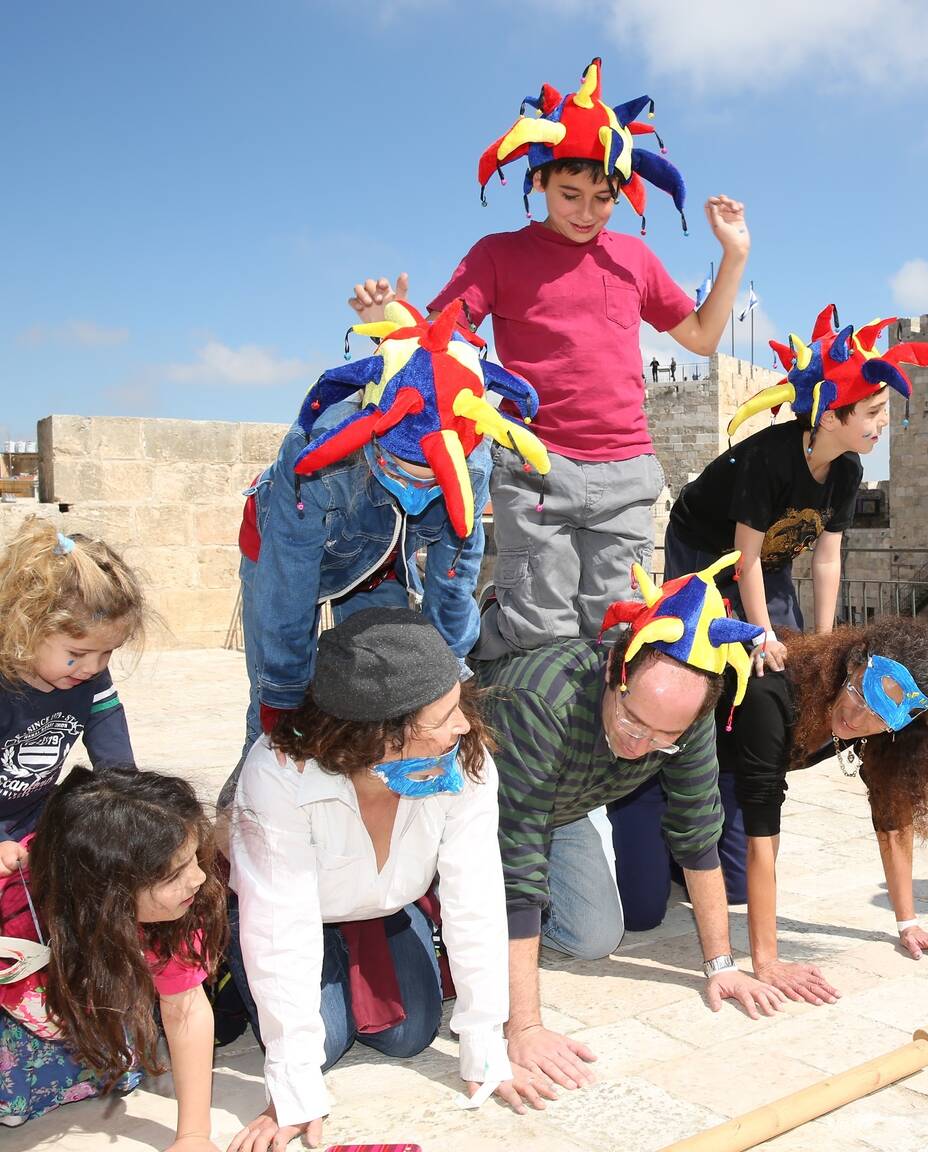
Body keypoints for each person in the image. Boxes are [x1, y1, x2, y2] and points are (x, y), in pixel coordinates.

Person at [348, 55, 750, 658]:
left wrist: (734, 257)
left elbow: (700, 337)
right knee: (540, 636)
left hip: (627, 474)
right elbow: (441, 338)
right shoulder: (498, 255)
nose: (586, 212)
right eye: (570, 194)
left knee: (618, 635)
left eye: (602, 198)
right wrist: (387, 321)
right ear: (538, 183)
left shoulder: (633, 259)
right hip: (536, 472)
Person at [473, 553, 782, 1100]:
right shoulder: (543, 702)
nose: (640, 746)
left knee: (595, 938)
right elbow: (518, 863)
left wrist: (721, 965)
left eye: (663, 736)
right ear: (617, 673)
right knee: (502, 890)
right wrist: (522, 1027)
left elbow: (696, 833)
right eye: (631, 719)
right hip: (477, 806)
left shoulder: (686, 716)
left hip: (563, 807)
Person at [226, 608, 523, 1150]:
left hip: (383, 911)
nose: (462, 725)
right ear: (378, 735)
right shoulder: (278, 776)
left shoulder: (465, 760)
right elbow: (279, 929)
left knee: (409, 1035)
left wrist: (485, 1041)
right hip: (295, 915)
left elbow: (474, 897)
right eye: (444, 716)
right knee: (323, 1044)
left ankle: (359, 960)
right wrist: (292, 1089)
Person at [233, 299, 546, 774]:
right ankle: (247, 810)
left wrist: (449, 669)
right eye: (403, 469)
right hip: (282, 551)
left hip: (380, 562)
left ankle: (363, 786)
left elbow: (455, 568)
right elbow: (287, 584)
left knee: (382, 690)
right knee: (274, 708)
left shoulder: (474, 457)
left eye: (432, 480)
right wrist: (282, 697)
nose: (417, 491)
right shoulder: (319, 448)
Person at [610, 616, 928, 1002]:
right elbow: (762, 837)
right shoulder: (774, 691)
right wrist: (767, 962)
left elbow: (893, 819)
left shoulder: (884, 728)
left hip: (729, 774)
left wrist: (909, 924)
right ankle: (642, 832)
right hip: (657, 761)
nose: (857, 718)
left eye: (881, 717)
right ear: (853, 664)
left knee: (735, 890)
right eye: (858, 694)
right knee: (642, 914)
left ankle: (676, 853)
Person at [666, 304, 928, 664]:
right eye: (874, 412)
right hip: (702, 544)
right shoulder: (769, 461)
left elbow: (828, 559)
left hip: (769, 556)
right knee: (704, 646)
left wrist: (826, 642)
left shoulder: (848, 469)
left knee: (794, 653)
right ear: (830, 418)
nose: (885, 422)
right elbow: (745, 557)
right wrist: (762, 637)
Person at [0, 767, 226, 1151]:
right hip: (23, 1011)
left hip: (84, 1011)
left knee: (113, 1063)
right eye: (175, 874)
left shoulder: (175, 911)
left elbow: (185, 1008)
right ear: (106, 893)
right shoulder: (14, 900)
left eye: (194, 859)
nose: (199, 879)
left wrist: (193, 1136)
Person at [0, 516, 143, 847]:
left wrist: (129, 803)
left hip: (35, 818)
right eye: (77, 653)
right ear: (28, 627)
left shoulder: (89, 676)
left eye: (107, 652)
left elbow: (113, 751)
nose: (92, 668)